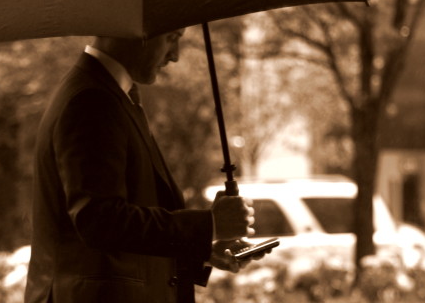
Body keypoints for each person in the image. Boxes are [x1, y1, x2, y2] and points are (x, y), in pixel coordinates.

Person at [25, 29, 257, 303]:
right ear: (136, 30)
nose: (175, 55)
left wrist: (202, 248)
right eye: (171, 37)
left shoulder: (112, 96)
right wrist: (209, 224)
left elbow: (115, 240)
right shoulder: (91, 101)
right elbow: (100, 220)